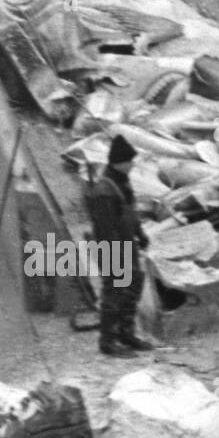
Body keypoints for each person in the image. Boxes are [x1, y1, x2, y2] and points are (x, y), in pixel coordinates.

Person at [87, 134, 154, 358]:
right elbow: (105, 228)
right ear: (121, 162)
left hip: (128, 246)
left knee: (132, 288)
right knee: (115, 292)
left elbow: (130, 214)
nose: (133, 165)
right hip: (114, 249)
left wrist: (140, 234)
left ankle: (126, 333)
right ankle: (108, 341)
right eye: (131, 161)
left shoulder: (123, 184)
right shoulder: (104, 191)